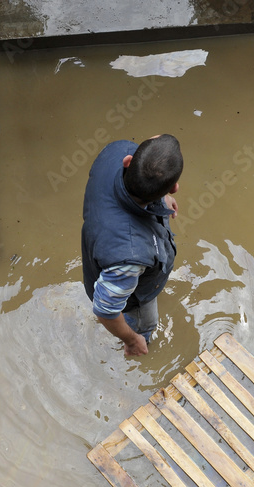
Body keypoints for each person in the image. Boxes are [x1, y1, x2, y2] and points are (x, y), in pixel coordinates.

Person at [81, 134, 182, 356]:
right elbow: (106, 310)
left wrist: (161, 199)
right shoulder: (129, 257)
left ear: (129, 161)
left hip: (103, 237)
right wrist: (131, 339)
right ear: (175, 187)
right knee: (146, 323)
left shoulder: (116, 151)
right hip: (133, 294)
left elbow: (149, 152)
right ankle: (141, 337)